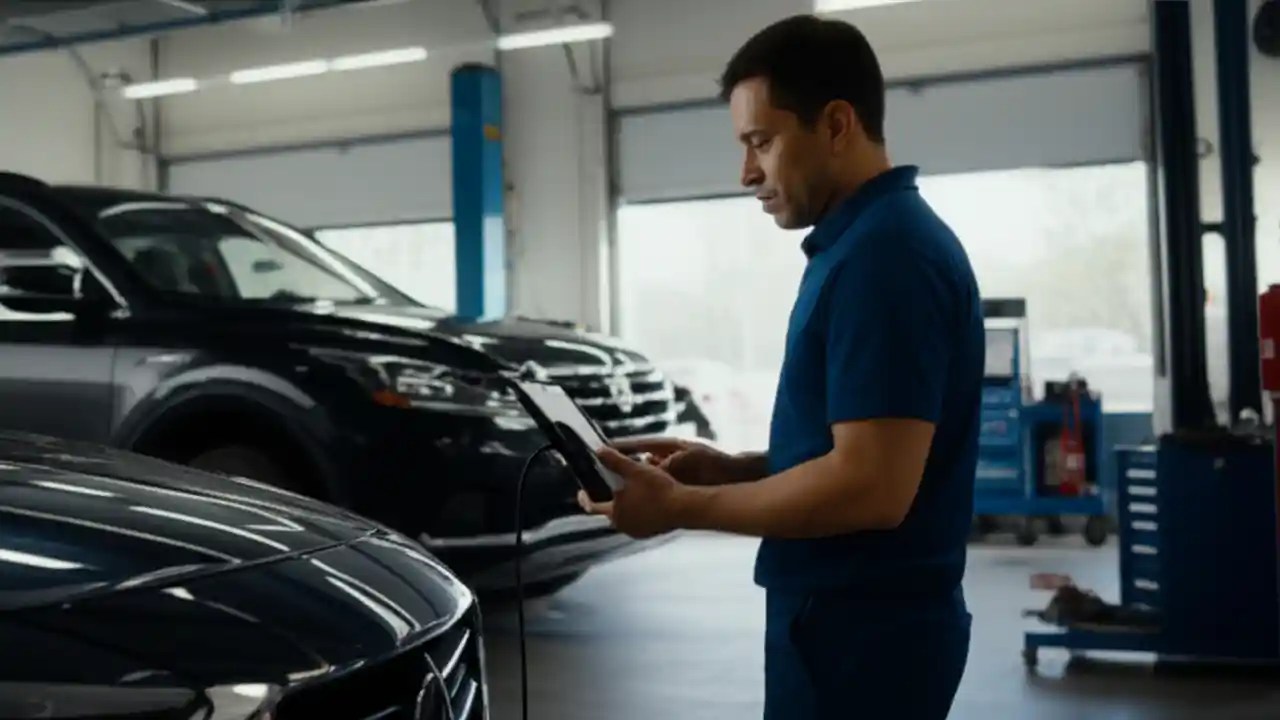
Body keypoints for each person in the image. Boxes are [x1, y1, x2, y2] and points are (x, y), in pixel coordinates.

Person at [578, 14, 984, 720]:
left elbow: (870, 487)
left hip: (863, 636)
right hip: (845, 621)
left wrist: (683, 508)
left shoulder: (885, 257)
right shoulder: (864, 244)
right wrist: (734, 469)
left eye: (760, 143)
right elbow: (856, 451)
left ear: (835, 125)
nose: (745, 173)